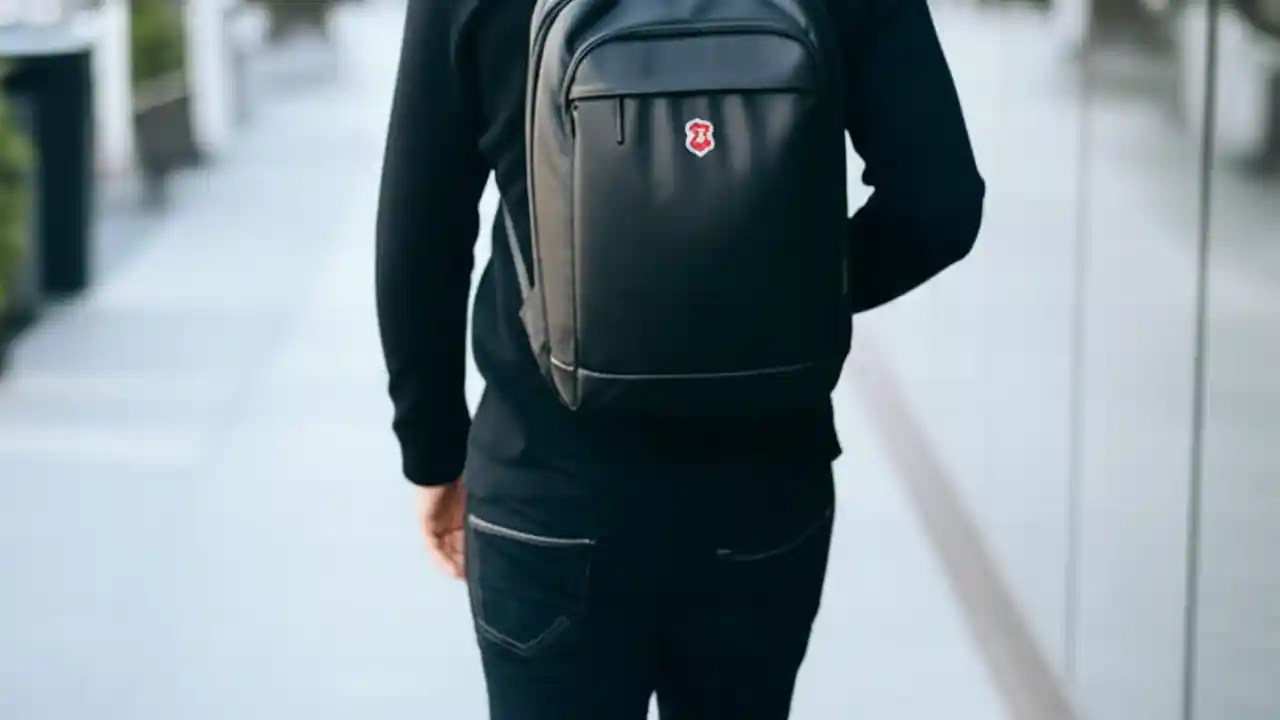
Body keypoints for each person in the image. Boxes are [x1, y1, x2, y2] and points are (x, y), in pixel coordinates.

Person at [375, 0, 984, 717]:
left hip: (549, 484)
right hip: (760, 483)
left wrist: (432, 452)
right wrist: (773, 297)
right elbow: (938, 203)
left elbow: (420, 231)